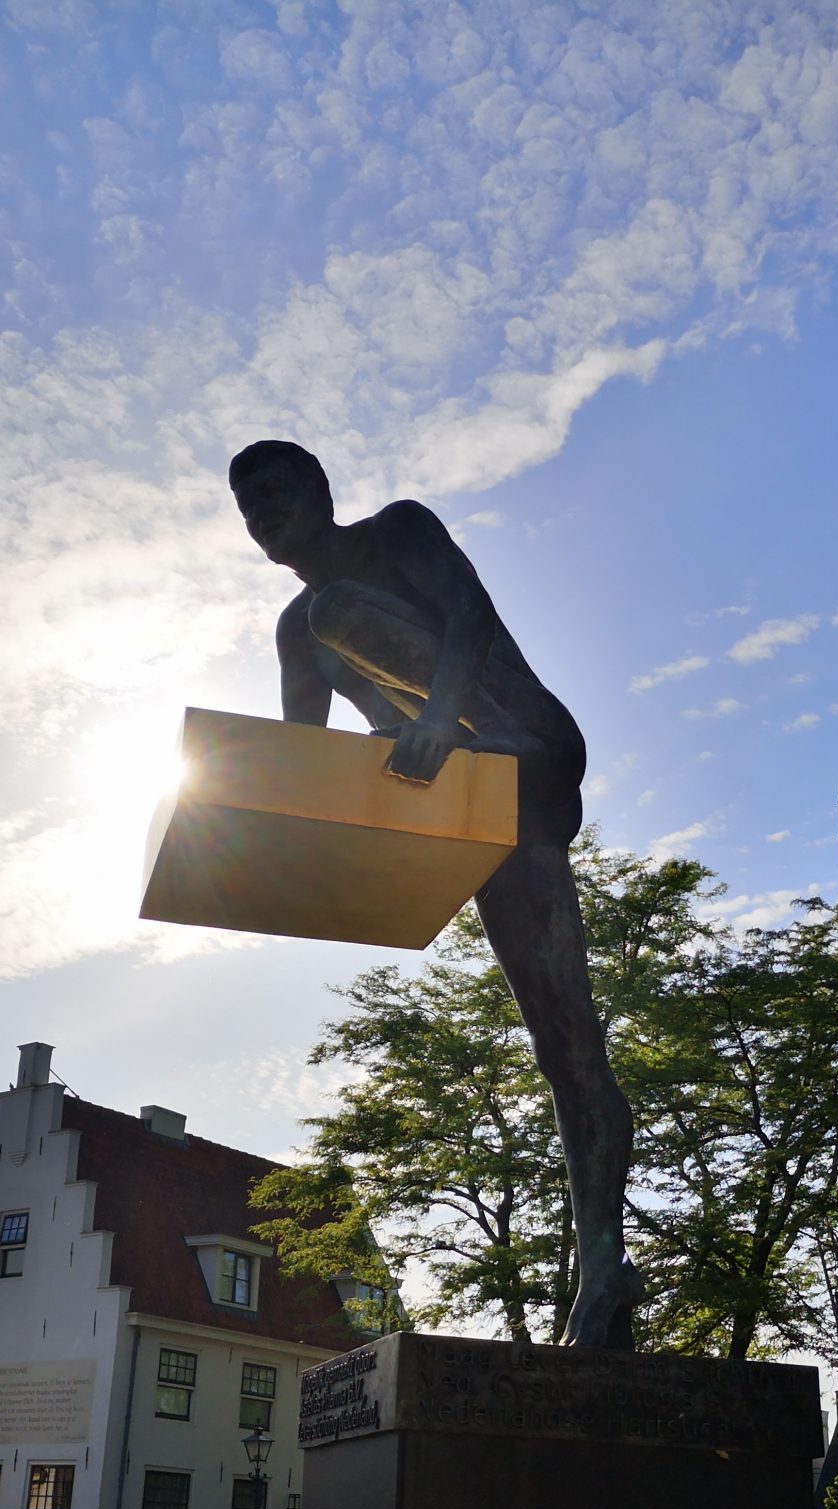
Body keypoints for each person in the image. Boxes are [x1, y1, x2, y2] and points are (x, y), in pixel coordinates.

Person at [229, 439, 642, 1349]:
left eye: (276, 492)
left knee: (335, 610)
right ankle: (604, 1274)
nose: (264, 515)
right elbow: (305, 764)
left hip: (520, 741)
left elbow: (469, 614)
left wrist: (435, 719)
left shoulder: (396, 533)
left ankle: (460, 734)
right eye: (248, 508)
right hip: (472, 805)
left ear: (321, 491)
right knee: (565, 1045)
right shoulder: (295, 634)